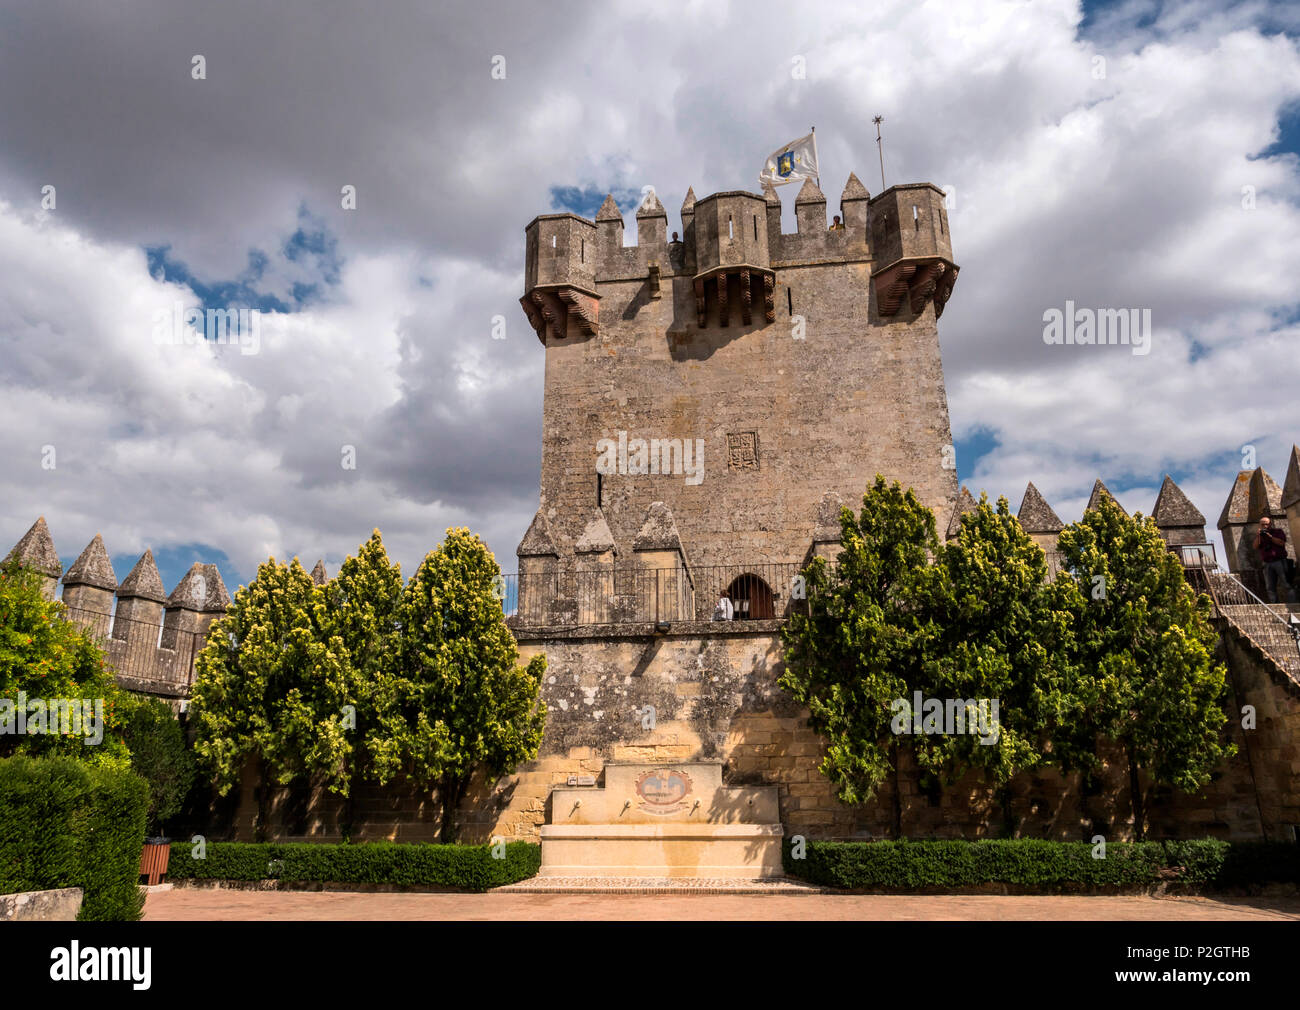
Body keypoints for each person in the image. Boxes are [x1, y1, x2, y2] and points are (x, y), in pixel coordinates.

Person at [1255, 516, 1296, 604]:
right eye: (1262, 525)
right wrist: (1258, 536)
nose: (1265, 526)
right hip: (1267, 563)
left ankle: (1293, 604)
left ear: (1270, 524)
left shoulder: (1277, 532)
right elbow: (1255, 546)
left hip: (1279, 561)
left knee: (1286, 583)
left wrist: (1270, 537)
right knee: (1270, 587)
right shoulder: (1260, 535)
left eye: (1266, 524)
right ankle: (1275, 604)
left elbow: (1281, 543)